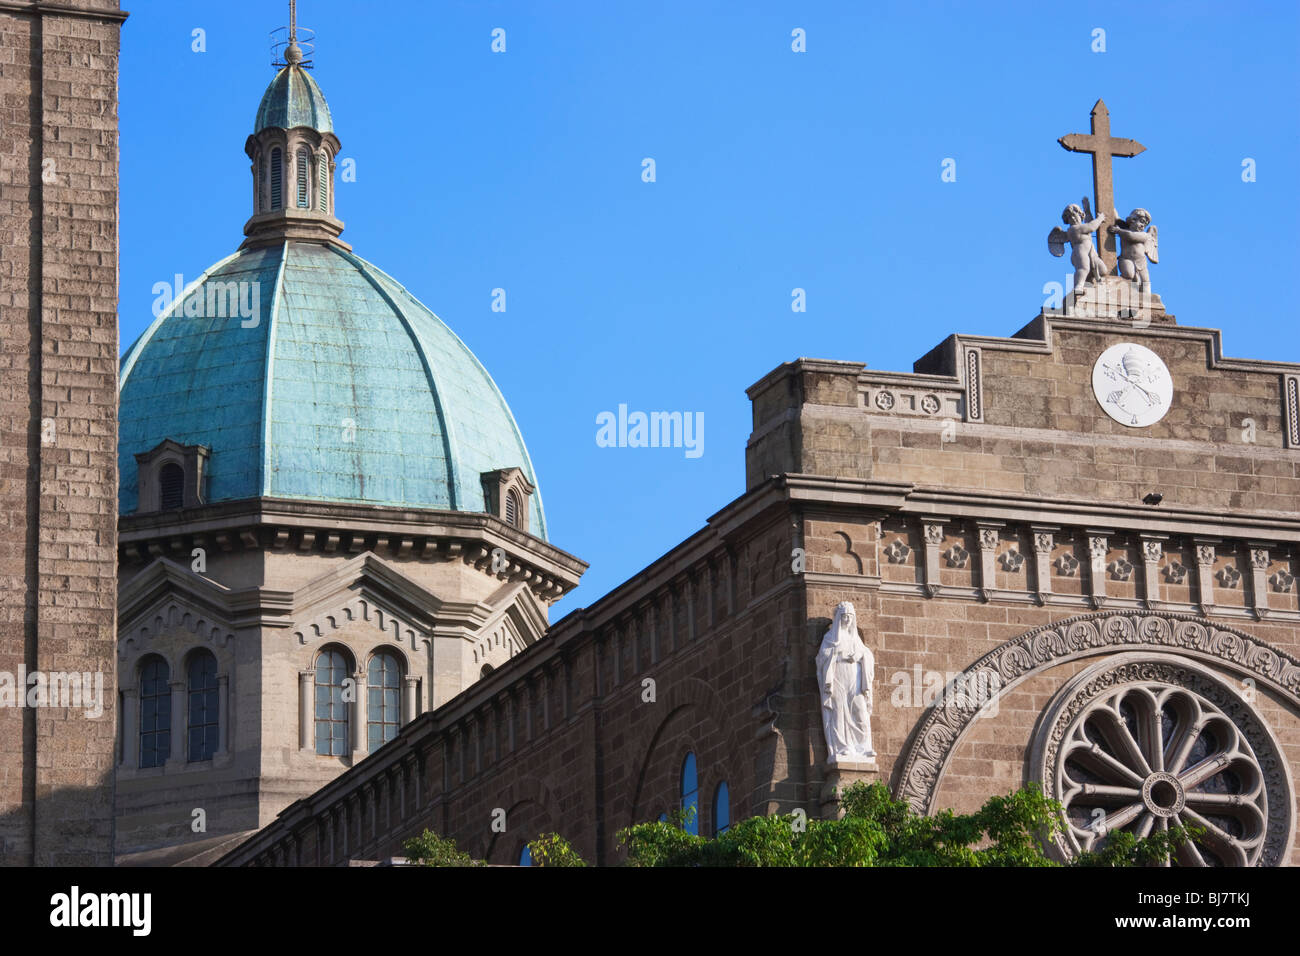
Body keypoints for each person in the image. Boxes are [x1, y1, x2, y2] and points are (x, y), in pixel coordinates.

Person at [815, 601, 875, 762]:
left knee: (860, 710)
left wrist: (860, 656)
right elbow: (822, 658)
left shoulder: (855, 639)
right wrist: (837, 653)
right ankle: (842, 747)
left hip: (854, 677)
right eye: (844, 616)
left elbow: (866, 655)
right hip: (838, 676)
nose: (847, 619)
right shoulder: (830, 638)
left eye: (850, 616)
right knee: (839, 712)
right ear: (838, 619)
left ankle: (864, 746)